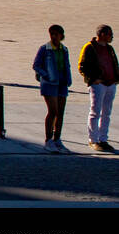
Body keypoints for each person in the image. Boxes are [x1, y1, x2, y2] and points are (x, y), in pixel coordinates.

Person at [32, 24, 72, 152]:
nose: (54, 37)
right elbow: (36, 65)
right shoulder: (44, 49)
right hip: (49, 83)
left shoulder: (64, 49)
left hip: (62, 83)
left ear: (61, 35)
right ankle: (48, 140)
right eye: (52, 34)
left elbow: (67, 65)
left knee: (60, 112)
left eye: (56, 34)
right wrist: (46, 75)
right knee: (53, 111)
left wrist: (68, 79)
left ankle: (57, 139)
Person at [78, 24, 118, 152]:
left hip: (110, 83)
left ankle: (103, 139)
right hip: (98, 84)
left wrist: (116, 79)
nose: (111, 36)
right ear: (102, 34)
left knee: (107, 112)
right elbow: (82, 66)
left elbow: (114, 63)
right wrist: (92, 79)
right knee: (95, 112)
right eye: (109, 34)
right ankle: (93, 140)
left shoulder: (109, 48)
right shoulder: (89, 47)